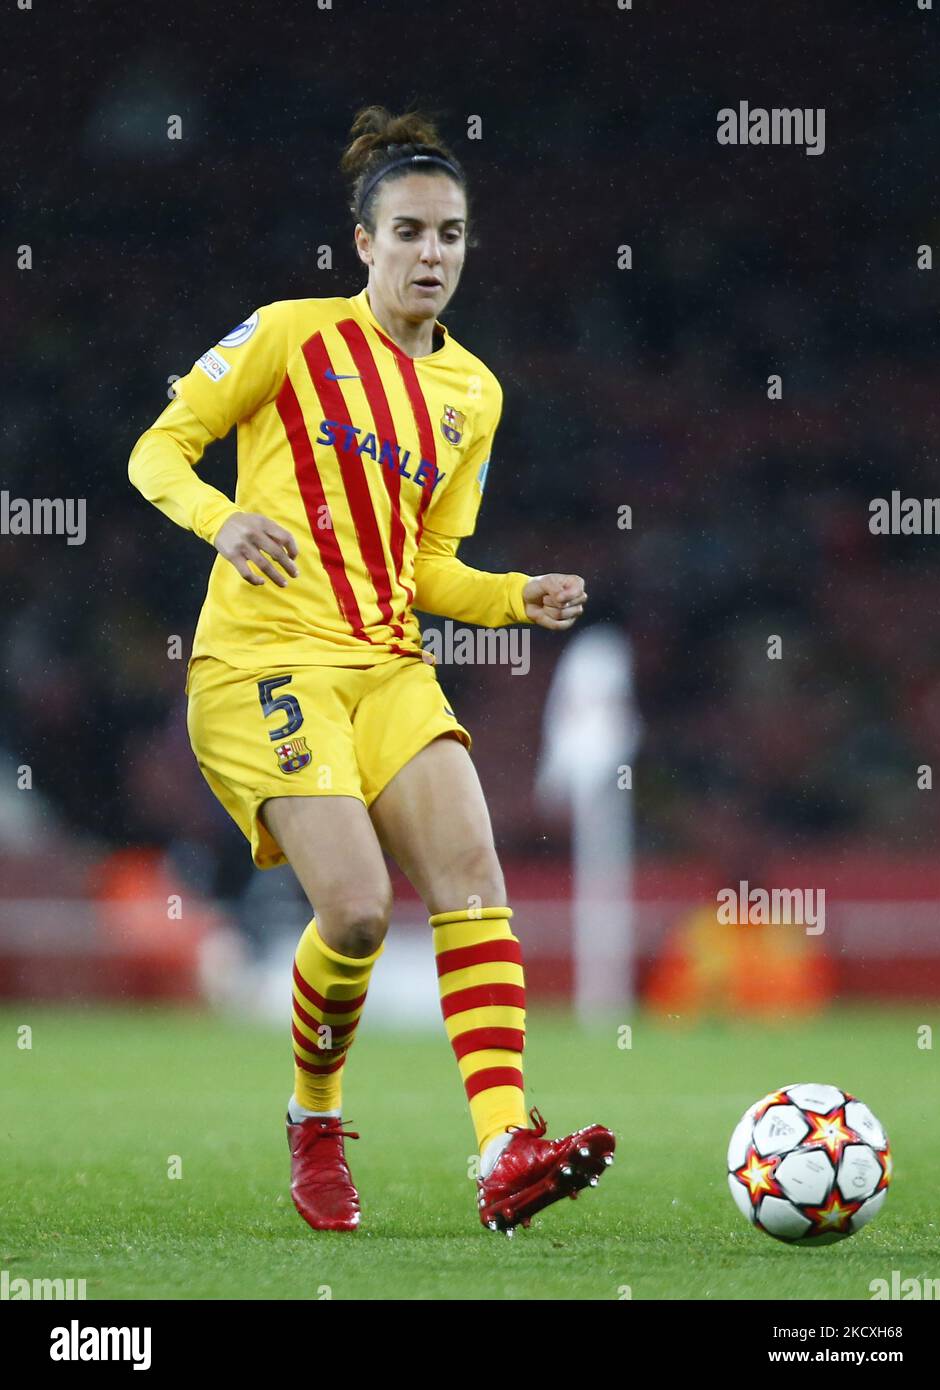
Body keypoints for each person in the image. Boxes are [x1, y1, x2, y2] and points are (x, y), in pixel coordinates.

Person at [127, 104, 615, 1236]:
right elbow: (157, 447)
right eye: (408, 232)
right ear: (363, 241)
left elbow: (429, 563)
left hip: (387, 664)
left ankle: (503, 1147)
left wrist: (511, 597)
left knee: (472, 879)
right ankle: (313, 1115)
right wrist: (222, 519)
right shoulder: (289, 335)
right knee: (353, 912)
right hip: (260, 664)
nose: (431, 253)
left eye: (449, 233)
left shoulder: (472, 394)